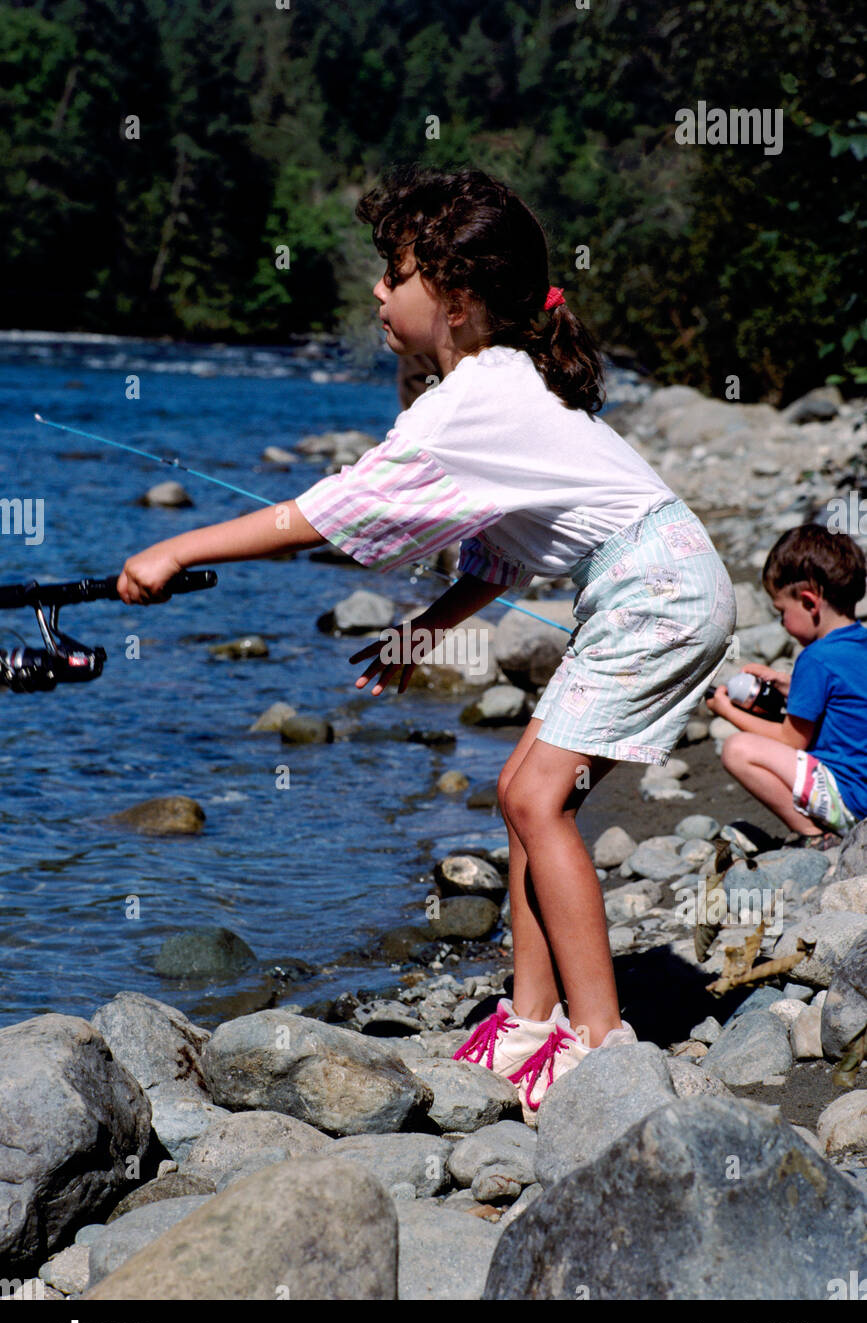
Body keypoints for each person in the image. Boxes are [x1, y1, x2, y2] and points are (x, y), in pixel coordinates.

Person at [117, 165, 737, 1122]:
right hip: (653, 584)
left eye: (393, 273)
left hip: (653, 592)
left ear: (452, 299)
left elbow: (317, 514)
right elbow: (495, 565)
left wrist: (177, 545)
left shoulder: (476, 397)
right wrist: (423, 630)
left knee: (535, 799)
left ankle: (604, 1042)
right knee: (525, 796)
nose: (376, 289)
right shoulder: (497, 379)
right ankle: (531, 1020)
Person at [706, 524, 867, 852]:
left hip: (848, 798)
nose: (782, 623)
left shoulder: (816, 659)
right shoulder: (859, 645)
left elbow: (791, 740)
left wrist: (726, 711)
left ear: (809, 602)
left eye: (781, 612)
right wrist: (788, 683)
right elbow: (847, 698)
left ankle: (817, 834)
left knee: (738, 750)